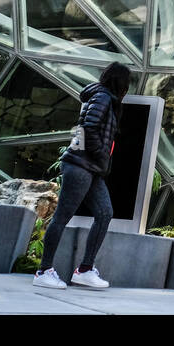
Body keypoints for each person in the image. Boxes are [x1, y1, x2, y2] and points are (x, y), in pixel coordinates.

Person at [33, 62, 132, 290]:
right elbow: (88, 128)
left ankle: (85, 270)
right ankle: (43, 271)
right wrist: (100, 156)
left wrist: (99, 161)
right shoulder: (103, 97)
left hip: (91, 167)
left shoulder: (101, 97)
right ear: (120, 82)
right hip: (81, 165)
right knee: (62, 217)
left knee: (104, 212)